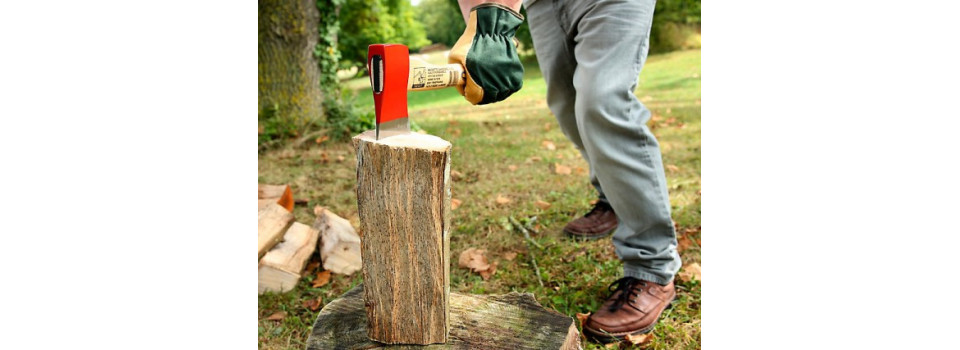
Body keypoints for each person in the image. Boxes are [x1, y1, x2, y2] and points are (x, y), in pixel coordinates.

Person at [449, 0, 681, 344]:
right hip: (543, 5)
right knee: (568, 107)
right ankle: (614, 200)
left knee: (603, 102)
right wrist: (485, 28)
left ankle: (653, 267)